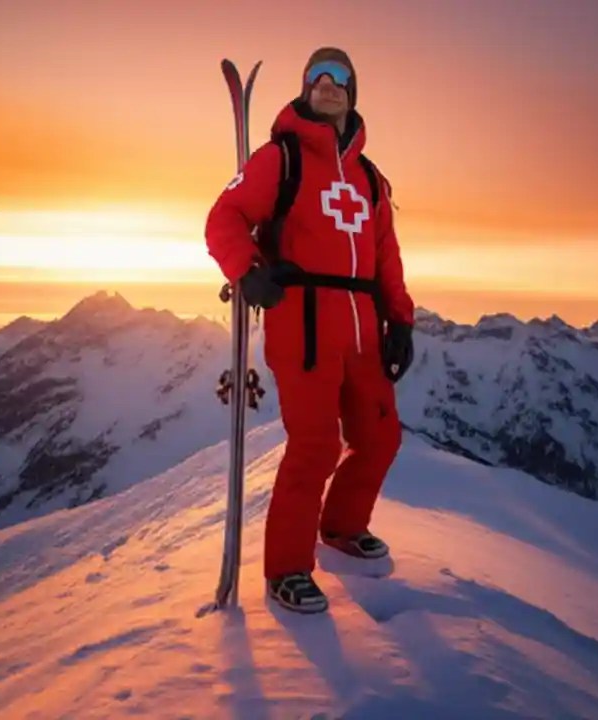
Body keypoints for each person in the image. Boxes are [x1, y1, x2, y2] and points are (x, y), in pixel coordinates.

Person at [205, 47, 416, 614]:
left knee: (380, 437)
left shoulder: (370, 178)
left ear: (353, 92)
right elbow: (223, 217)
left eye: (341, 75)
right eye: (317, 76)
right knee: (316, 445)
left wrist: (400, 318)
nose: (328, 83)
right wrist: (248, 271)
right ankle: (288, 569)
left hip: (363, 326)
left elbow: (385, 253)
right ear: (305, 89)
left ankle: (343, 526)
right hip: (302, 321)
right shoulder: (282, 159)